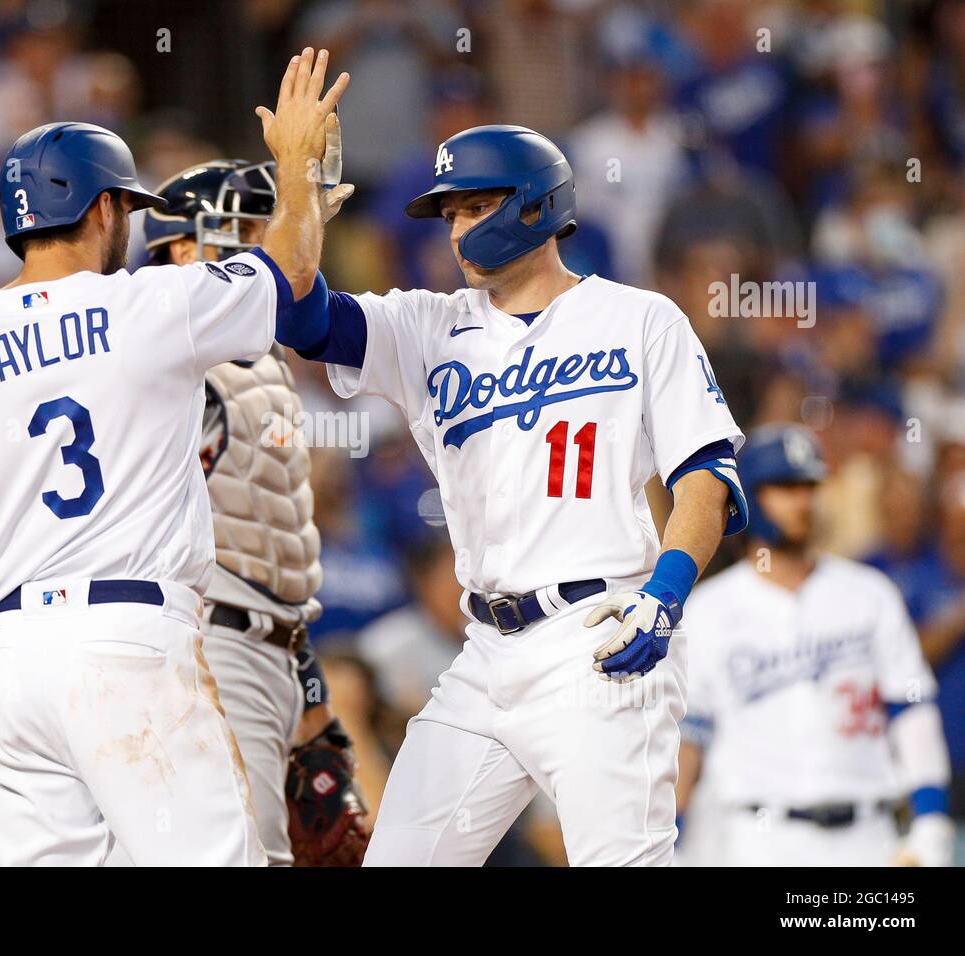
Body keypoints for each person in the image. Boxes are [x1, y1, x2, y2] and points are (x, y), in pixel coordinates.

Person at [0, 48, 349, 866]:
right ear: (103, 210)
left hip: (11, 669)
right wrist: (296, 166)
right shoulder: (148, 305)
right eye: (125, 204)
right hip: (131, 644)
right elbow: (293, 272)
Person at [274, 124, 748, 866]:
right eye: (450, 213)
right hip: (485, 651)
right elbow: (298, 317)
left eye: (472, 206)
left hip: (599, 631)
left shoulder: (639, 319)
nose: (457, 228)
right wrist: (297, 187)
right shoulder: (427, 327)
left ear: (533, 207)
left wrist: (665, 593)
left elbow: (707, 483)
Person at [109, 155, 368, 866]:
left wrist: (310, 694)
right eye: (252, 227)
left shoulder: (264, 364)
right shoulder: (163, 358)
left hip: (273, 647)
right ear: (187, 249)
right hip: (207, 643)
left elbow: (276, 554)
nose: (272, 243)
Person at [677, 424, 955, 866]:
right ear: (747, 499)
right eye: (785, 488)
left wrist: (931, 820)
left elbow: (910, 710)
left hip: (870, 835)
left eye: (809, 486)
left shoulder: (869, 593)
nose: (803, 501)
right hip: (756, 841)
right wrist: (672, 834)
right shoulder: (707, 611)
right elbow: (686, 743)